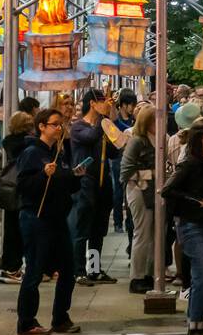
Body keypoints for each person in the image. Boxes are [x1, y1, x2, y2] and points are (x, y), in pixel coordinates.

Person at [15, 107, 86, 335]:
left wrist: (77, 176)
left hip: (56, 217)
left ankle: (60, 317)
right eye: (54, 124)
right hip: (37, 217)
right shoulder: (32, 152)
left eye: (61, 124)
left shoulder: (60, 151)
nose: (59, 128)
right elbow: (24, 186)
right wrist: (42, 174)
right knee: (34, 271)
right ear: (42, 127)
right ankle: (26, 321)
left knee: (68, 268)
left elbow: (66, 185)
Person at [162, 118, 203, 335]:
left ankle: (199, 325)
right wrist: (195, 200)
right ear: (200, 139)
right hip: (191, 224)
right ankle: (194, 327)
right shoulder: (189, 164)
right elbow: (168, 190)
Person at [69, 88, 120, 284]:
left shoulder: (102, 128)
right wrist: (104, 121)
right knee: (83, 229)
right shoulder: (78, 127)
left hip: (103, 181)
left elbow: (114, 153)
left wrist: (114, 137)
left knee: (99, 229)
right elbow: (90, 137)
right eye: (103, 101)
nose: (107, 105)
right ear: (93, 103)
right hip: (85, 181)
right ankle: (78, 270)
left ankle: (94, 268)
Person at [120, 103, 161, 294]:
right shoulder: (137, 141)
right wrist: (152, 173)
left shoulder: (158, 138)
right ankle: (136, 277)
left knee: (154, 235)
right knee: (142, 233)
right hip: (138, 190)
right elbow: (125, 172)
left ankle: (149, 274)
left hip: (153, 190)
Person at [0, 110, 36, 285]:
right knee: (19, 231)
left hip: (10, 189)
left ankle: (11, 267)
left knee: (11, 229)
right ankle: (12, 268)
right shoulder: (29, 144)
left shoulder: (8, 142)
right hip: (21, 190)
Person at [110, 89, 138, 235]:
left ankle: (129, 223)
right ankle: (117, 222)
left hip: (131, 158)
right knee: (118, 191)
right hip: (118, 157)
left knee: (130, 190)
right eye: (130, 105)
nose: (133, 108)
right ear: (123, 105)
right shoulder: (116, 119)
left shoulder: (134, 119)